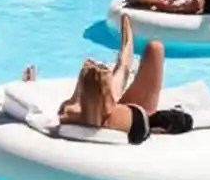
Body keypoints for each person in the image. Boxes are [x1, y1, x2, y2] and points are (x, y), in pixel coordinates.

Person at [18, 13, 191, 144]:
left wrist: (32, 87)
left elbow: (49, 113)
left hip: (135, 116)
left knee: (141, 57)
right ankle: (127, 45)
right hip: (139, 117)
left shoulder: (70, 110)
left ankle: (127, 45)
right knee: (127, 66)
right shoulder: (74, 109)